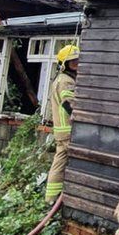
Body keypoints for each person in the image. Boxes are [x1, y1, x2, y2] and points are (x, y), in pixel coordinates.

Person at [45, 44, 79, 204]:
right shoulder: (66, 81)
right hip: (68, 131)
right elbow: (70, 105)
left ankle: (51, 198)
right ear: (65, 65)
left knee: (60, 162)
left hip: (62, 131)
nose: (77, 65)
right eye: (73, 62)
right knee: (67, 162)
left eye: (78, 61)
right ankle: (54, 199)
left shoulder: (62, 79)